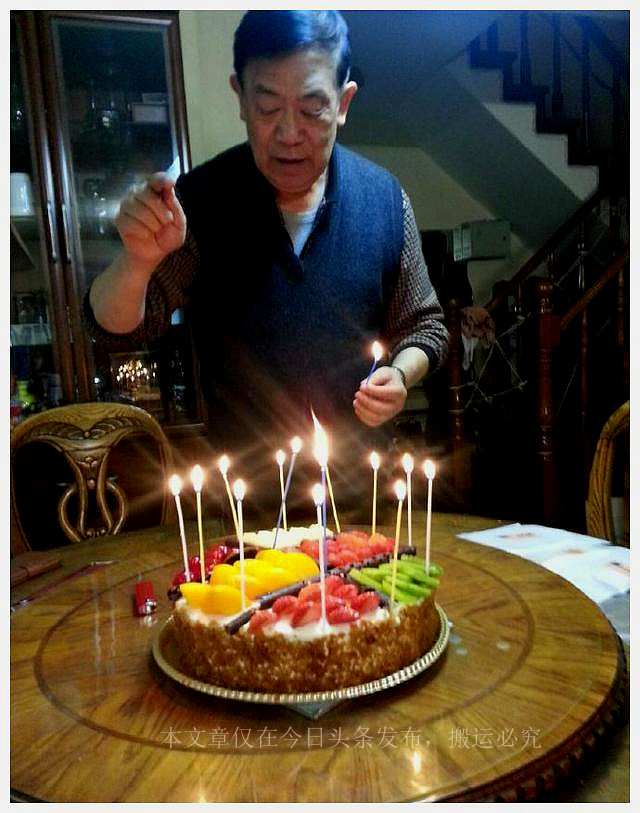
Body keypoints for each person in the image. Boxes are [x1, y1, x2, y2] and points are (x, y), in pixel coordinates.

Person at [86, 10, 449, 519]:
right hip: (242, 513)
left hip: (362, 506)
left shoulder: (384, 199)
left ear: (343, 103)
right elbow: (117, 330)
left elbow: (426, 326)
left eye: (312, 107)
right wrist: (137, 262)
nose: (289, 133)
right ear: (240, 96)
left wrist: (400, 374)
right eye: (268, 105)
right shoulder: (202, 202)